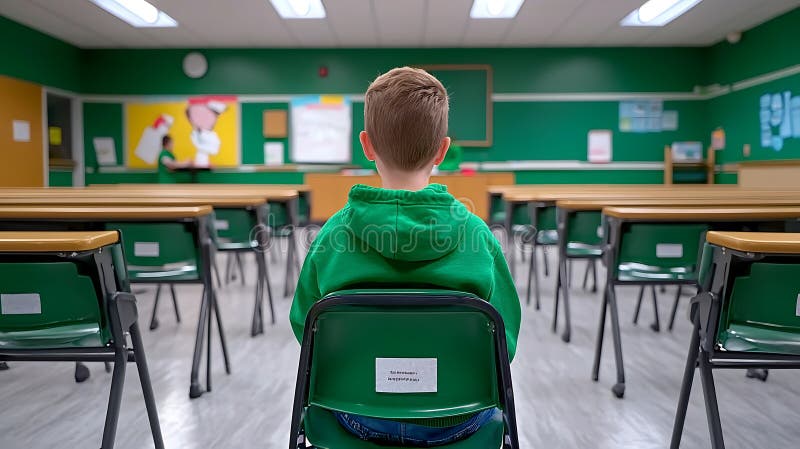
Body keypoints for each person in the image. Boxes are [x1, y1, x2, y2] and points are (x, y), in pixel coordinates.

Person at [289, 67, 521, 447]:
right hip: (457, 418)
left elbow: (306, 328)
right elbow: (504, 341)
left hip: (356, 415)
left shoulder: (332, 236)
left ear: (367, 146)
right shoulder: (478, 237)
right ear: (442, 150)